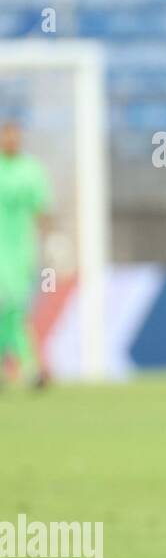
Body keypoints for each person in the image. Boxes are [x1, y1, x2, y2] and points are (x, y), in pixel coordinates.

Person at [0, 121, 51, 389]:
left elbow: (41, 210)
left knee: (14, 309)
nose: (10, 140)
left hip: (22, 253)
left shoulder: (31, 171)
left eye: (14, 136)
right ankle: (31, 367)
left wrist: (51, 243)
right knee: (9, 306)